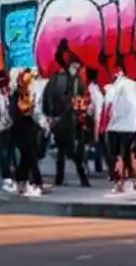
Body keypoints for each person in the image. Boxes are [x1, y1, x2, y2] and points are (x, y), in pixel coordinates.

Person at [103, 62, 136, 194]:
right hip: (131, 125)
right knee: (130, 155)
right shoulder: (134, 84)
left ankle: (120, 182)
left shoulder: (113, 86)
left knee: (117, 156)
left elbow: (108, 100)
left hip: (115, 126)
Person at [52, 57, 92, 188]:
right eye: (75, 66)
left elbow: (80, 97)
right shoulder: (62, 80)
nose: (76, 69)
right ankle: (79, 178)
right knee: (68, 153)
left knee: (66, 152)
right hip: (65, 121)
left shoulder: (77, 81)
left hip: (72, 121)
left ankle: (65, 178)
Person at [9, 70, 45, 197]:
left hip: (30, 128)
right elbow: (15, 113)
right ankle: (36, 183)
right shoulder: (16, 96)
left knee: (27, 157)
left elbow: (34, 111)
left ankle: (22, 181)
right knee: (30, 157)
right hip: (20, 129)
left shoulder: (30, 95)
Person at [85, 67, 108, 173]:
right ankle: (100, 165)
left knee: (99, 143)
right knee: (101, 144)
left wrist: (96, 129)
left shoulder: (92, 90)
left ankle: (102, 165)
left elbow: (97, 109)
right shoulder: (99, 88)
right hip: (100, 120)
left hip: (95, 120)